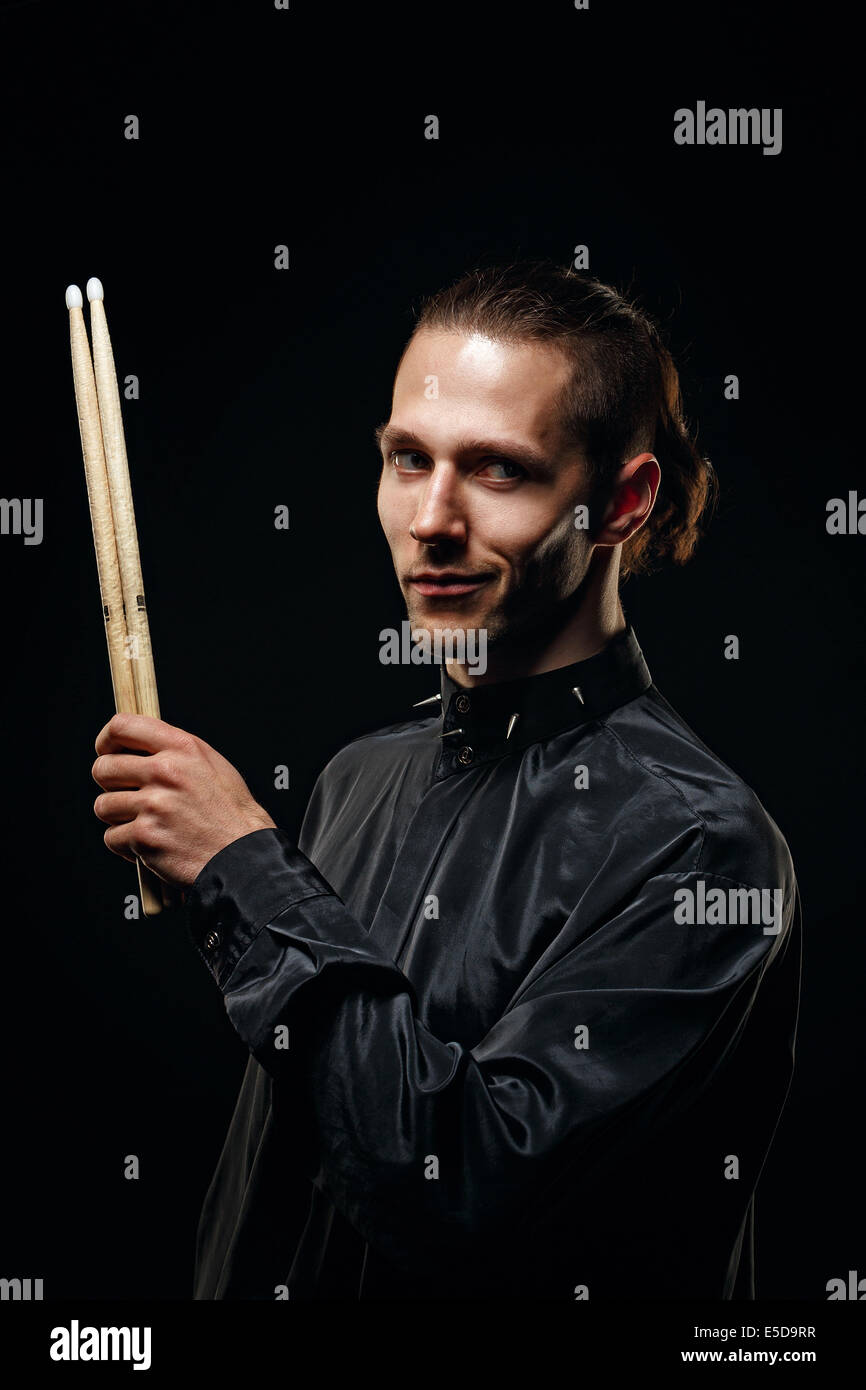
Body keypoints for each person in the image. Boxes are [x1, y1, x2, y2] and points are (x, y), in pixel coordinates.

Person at [91, 261, 801, 1300]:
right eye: (406, 458)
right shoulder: (355, 777)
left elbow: (456, 1187)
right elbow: (279, 1186)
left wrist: (243, 869)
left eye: (498, 471)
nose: (430, 518)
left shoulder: (702, 848)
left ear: (622, 499)